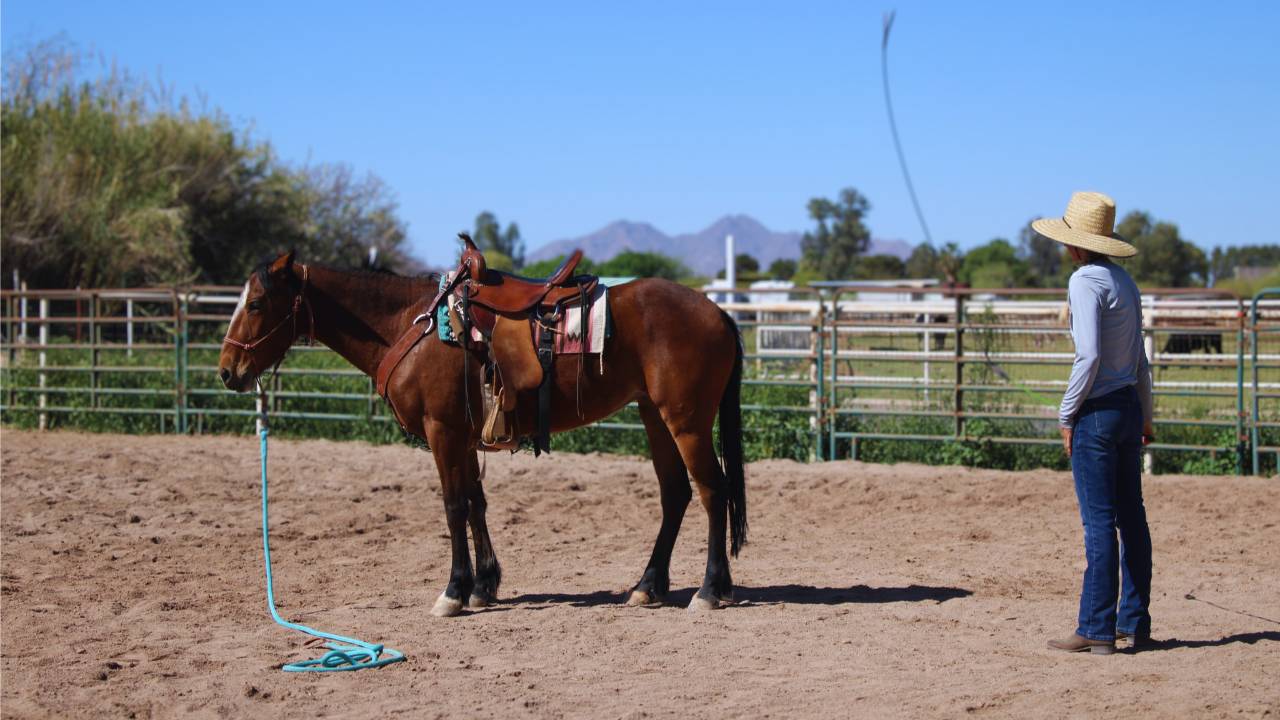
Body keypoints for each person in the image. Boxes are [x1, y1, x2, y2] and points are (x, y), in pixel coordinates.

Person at [1032, 191, 1155, 655]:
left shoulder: (1084, 282)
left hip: (1098, 414)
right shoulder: (1125, 282)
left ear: (1075, 245)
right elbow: (1140, 362)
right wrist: (1147, 416)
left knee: (1099, 523)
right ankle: (1134, 623)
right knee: (1132, 520)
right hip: (1127, 409)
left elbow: (1088, 356)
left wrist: (1066, 414)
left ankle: (1096, 628)